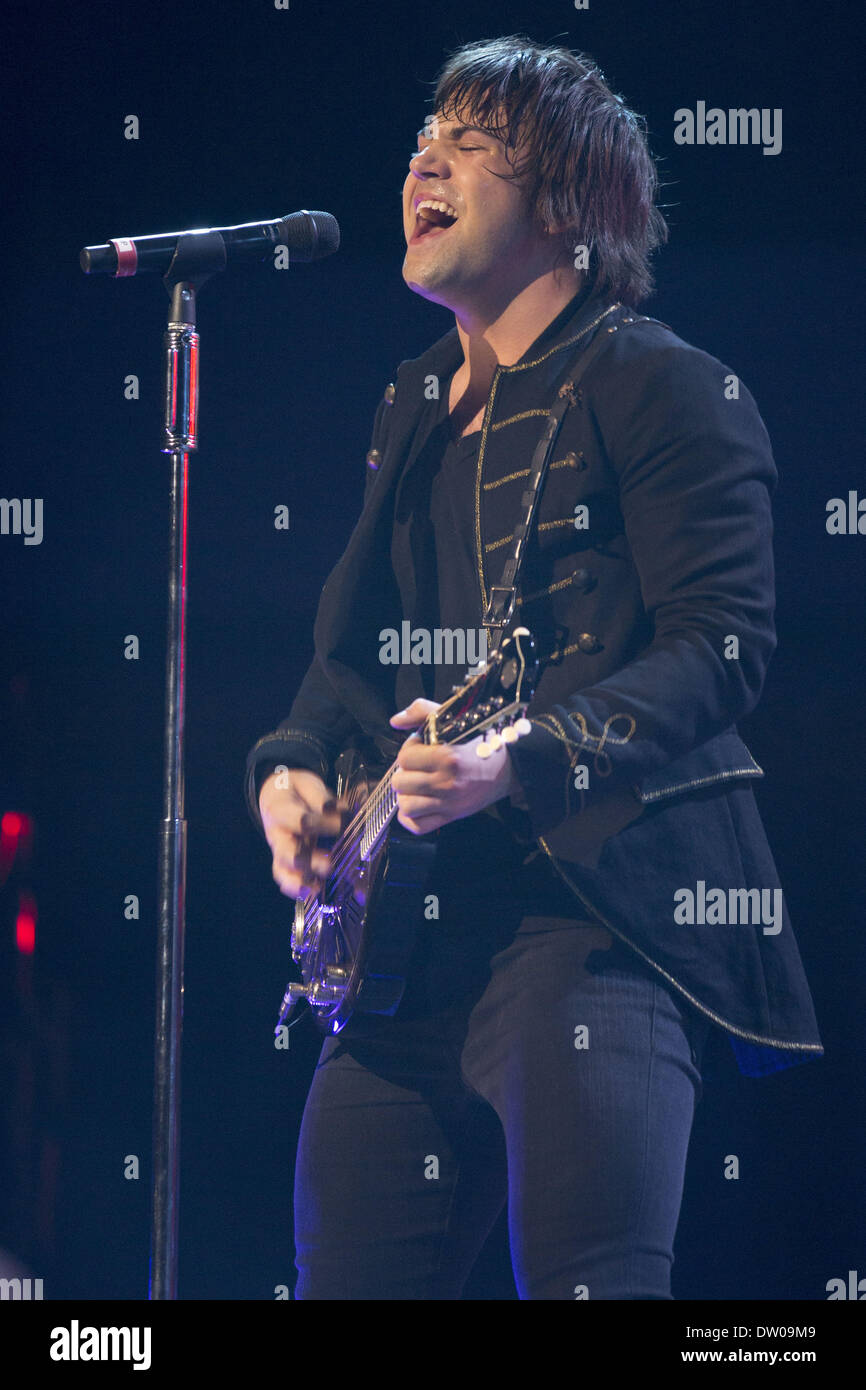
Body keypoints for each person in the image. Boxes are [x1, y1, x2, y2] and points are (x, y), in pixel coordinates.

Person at [245, 36, 823, 1300]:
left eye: (468, 139)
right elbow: (345, 666)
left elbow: (720, 648)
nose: (422, 159)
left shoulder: (658, 383)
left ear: (562, 202)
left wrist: (522, 756)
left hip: (593, 921)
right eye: (420, 138)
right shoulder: (412, 405)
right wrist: (291, 778)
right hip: (404, 942)